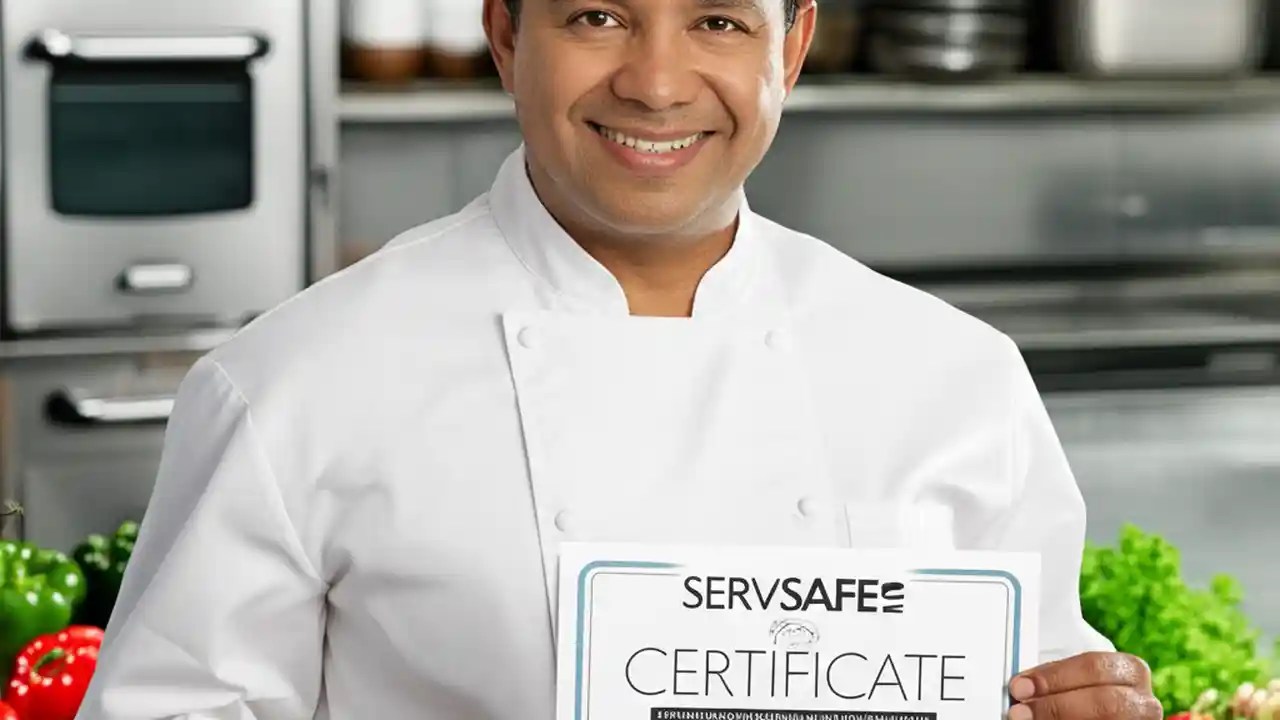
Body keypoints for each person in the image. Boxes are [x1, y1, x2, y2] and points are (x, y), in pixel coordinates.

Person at [76, 1, 1163, 719]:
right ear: (504, 33)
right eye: (597, 14)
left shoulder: (952, 379)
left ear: (788, 47)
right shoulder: (297, 383)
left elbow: (1029, 682)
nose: (654, 81)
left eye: (717, 22)